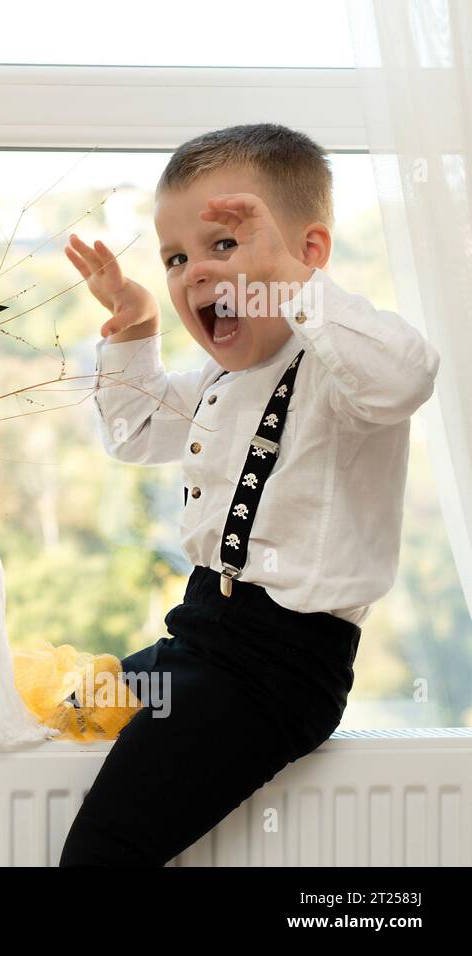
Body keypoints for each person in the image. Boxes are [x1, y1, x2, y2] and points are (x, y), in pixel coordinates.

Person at [59, 123, 440, 866]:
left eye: (226, 245)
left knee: (105, 848)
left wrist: (293, 284)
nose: (195, 273)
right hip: (199, 637)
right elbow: (136, 432)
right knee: (69, 710)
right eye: (176, 258)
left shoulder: (341, 373)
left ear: (310, 255)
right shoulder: (221, 379)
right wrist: (135, 326)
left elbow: (409, 374)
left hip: (278, 671)